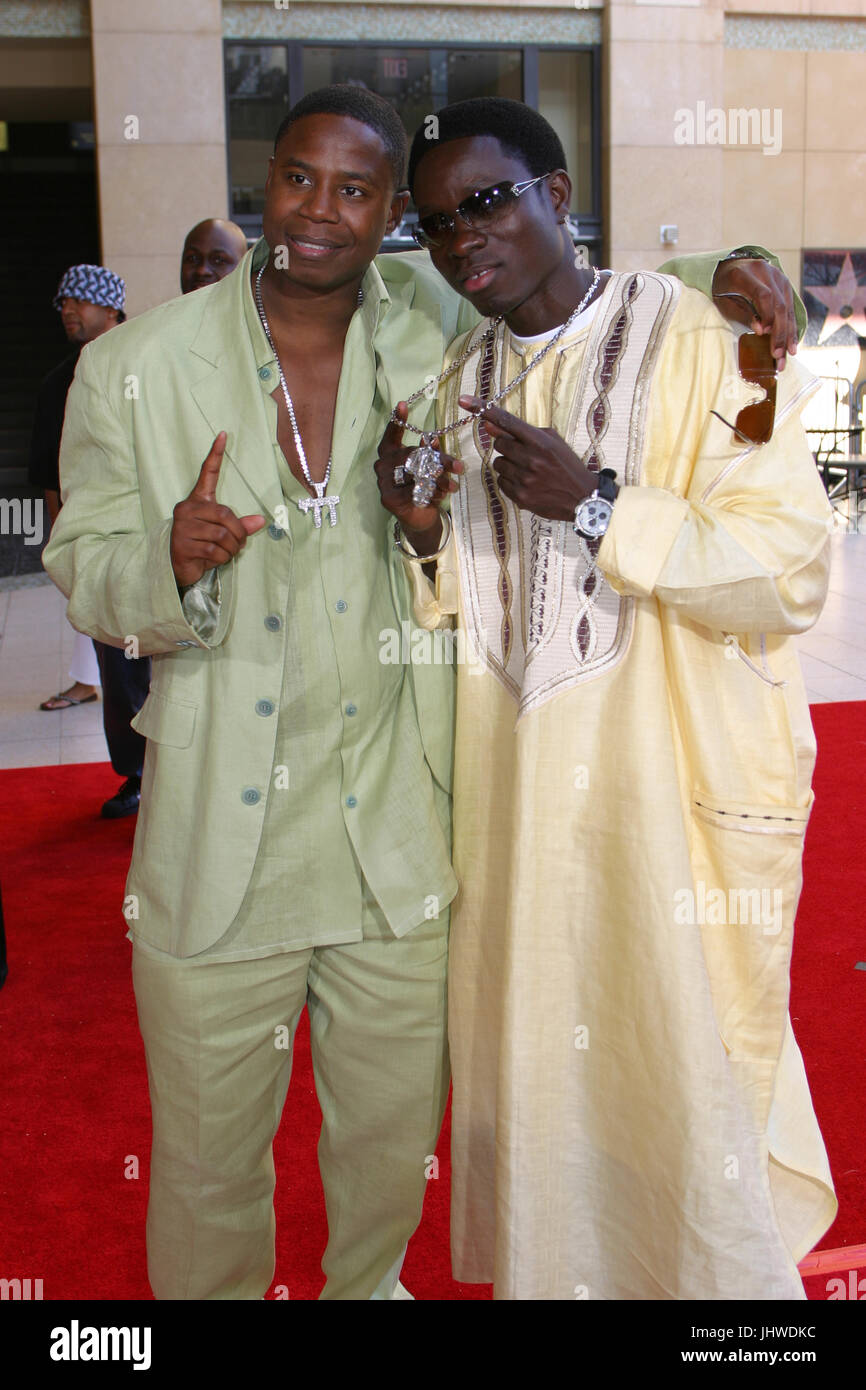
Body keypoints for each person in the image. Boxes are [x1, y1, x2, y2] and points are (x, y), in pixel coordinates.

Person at [43, 84, 803, 1301]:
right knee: (201, 1169)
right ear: (265, 187)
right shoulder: (135, 368)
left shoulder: (430, 325)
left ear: (391, 215)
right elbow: (80, 563)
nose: (320, 213)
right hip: (213, 850)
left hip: (397, 839)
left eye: (355, 191)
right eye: (298, 180)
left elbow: (573, 275)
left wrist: (751, 264)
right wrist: (162, 564)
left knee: (391, 1161)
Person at [375, 97, 837, 1300]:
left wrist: (595, 503)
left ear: (556, 194)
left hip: (668, 803)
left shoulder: (708, 337)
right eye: (434, 223)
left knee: (686, 1099)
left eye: (486, 201)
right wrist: (423, 530)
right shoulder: (454, 384)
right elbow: (463, 614)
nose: (464, 239)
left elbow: (785, 571)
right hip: (523, 824)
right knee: (552, 1106)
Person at [33, 265, 151, 819]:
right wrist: (69, 557)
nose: (67, 310)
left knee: (174, 670)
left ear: (112, 310)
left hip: (165, 537)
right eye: (62, 302)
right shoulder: (58, 383)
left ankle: (185, 776)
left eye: (79, 300)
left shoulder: (149, 363)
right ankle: (136, 776)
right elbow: (51, 475)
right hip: (107, 548)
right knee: (120, 672)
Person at [180, 219, 248, 295]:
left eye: (218, 260)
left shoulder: (256, 306)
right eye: (193, 259)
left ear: (244, 268)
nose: (202, 271)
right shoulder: (168, 306)